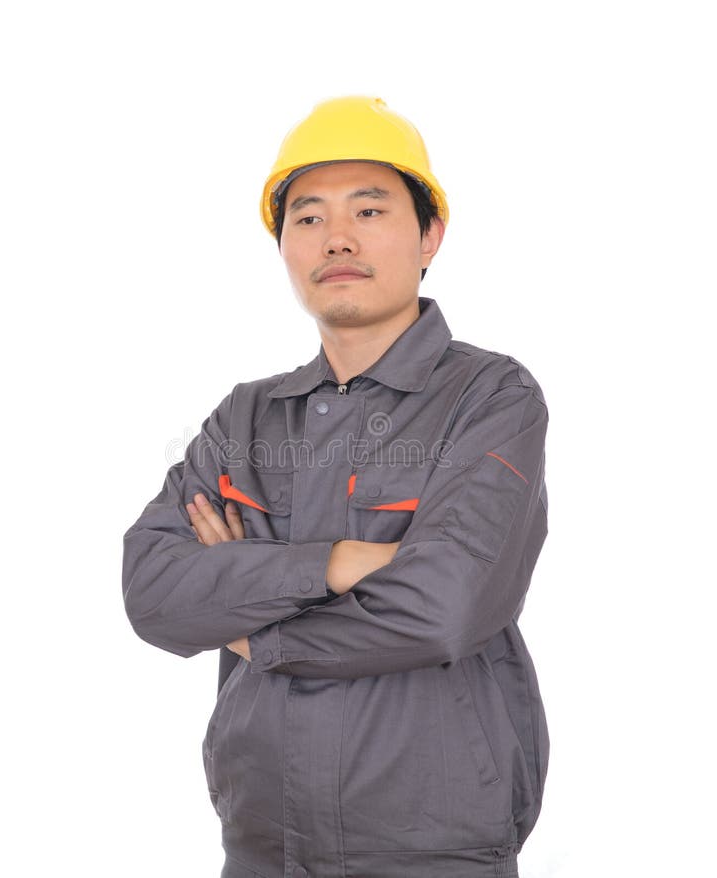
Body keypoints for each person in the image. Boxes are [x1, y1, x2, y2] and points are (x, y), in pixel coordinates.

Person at [122, 95, 550, 878]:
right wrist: (345, 561)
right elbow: (153, 591)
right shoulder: (247, 417)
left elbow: (444, 606)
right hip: (263, 845)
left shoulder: (490, 398)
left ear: (430, 236)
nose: (337, 238)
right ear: (283, 244)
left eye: (370, 209)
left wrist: (254, 629)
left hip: (433, 847)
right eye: (308, 217)